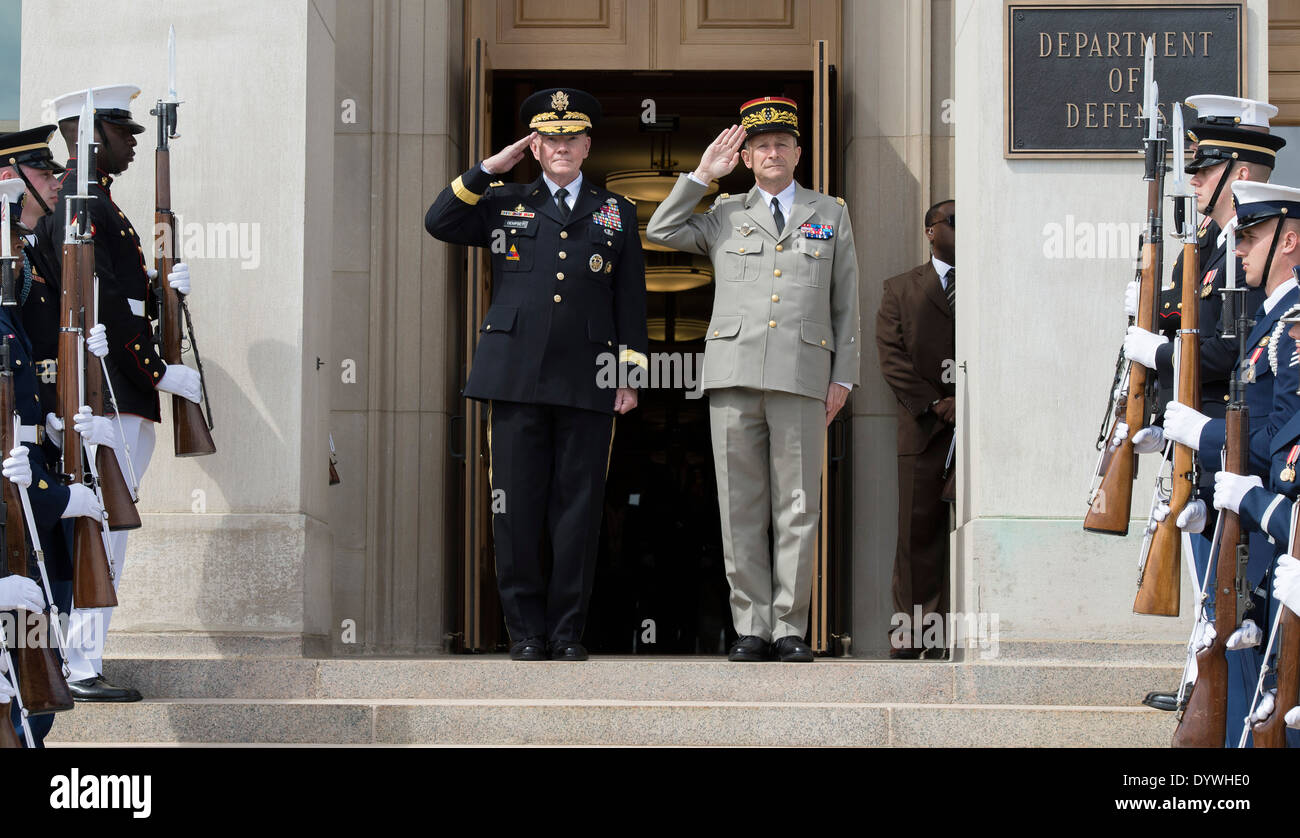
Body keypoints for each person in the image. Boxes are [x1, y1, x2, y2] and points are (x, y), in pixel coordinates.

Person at [425, 88, 647, 661]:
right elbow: (439, 221)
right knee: (515, 509)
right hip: (515, 376)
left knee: (579, 510)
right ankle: (524, 633)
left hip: (590, 378)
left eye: (572, 137)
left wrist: (629, 374)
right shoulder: (504, 201)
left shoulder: (615, 210)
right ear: (536, 144)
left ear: (588, 144)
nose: (562, 147)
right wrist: (491, 166)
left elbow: (629, 300)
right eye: (550, 138)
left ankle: (567, 632)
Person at [646, 97, 860, 662]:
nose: (772, 152)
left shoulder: (830, 212)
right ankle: (751, 626)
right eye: (760, 145)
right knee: (739, 506)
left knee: (797, 505)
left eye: (781, 144)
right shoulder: (726, 211)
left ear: (797, 151)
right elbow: (663, 229)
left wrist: (844, 377)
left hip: (802, 374)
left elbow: (847, 304)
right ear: (745, 156)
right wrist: (700, 177)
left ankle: (790, 626)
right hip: (734, 374)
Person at [1118, 96, 1284, 711]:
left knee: (1229, 591)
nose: (1193, 180)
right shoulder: (1218, 247)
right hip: (1201, 434)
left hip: (1225, 437)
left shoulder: (1244, 252)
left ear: (1239, 174)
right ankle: (1202, 688)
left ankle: (1216, 700)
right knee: (1211, 585)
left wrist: (1158, 354)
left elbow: (1227, 352)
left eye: (1205, 170)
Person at [40, 85, 199, 701]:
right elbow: (98, 300)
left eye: (136, 133)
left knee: (113, 526)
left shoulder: (104, 207)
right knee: (104, 527)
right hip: (112, 388)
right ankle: (80, 665)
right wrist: (157, 369)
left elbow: (129, 296)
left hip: (124, 387)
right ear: (90, 136)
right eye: (121, 132)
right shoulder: (81, 210)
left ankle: (85, 659)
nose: (133, 142)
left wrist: (167, 293)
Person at [1162, 180, 1300, 747]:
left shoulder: (1291, 329)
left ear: (1289, 241)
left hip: (1274, 531)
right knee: (1257, 697)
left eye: (1252, 235)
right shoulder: (1272, 323)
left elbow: (1281, 442)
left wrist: (1209, 436)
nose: (1237, 248)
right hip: (1260, 528)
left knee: (1277, 703)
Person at [0, 178, 110, 744]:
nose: (16, 245)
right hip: (20, 510)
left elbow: (27, 396)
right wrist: (62, 497)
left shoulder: (10, 309)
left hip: (32, 506)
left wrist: (60, 418)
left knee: (39, 669)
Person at [875, 199, 954, 659]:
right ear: (930, 231)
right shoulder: (900, 288)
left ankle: (950, 633)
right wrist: (936, 403)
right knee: (917, 532)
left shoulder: (985, 281)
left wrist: (968, 402)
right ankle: (913, 632)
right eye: (952, 222)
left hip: (977, 424)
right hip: (924, 426)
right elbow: (891, 356)